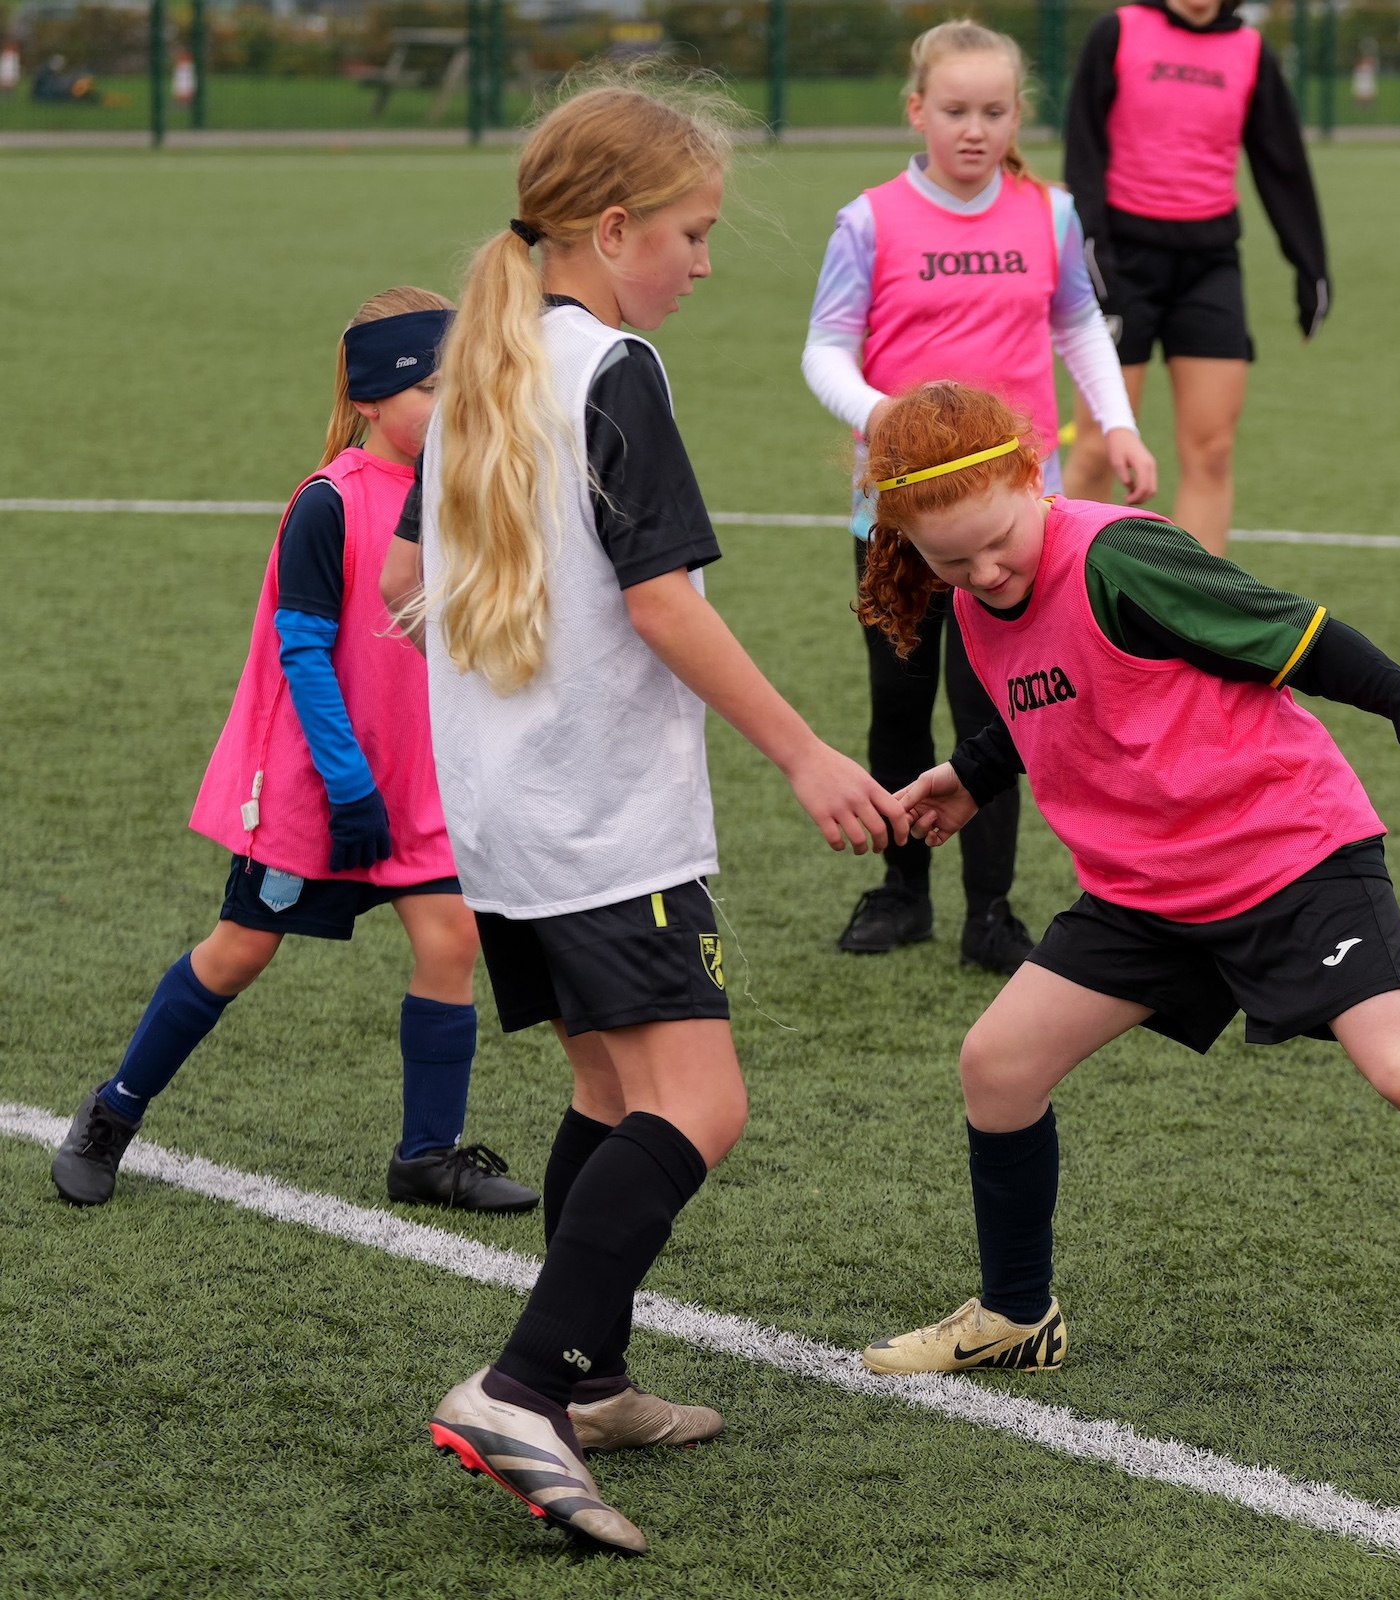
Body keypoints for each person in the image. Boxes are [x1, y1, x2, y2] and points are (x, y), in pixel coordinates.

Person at [843, 380, 1400, 1387]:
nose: (985, 570)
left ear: (1032, 475)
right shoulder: (974, 597)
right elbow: (1056, 693)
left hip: (1288, 855)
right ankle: (1016, 1313)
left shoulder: (1122, 555)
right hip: (1148, 890)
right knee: (997, 1066)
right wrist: (972, 774)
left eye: (996, 541)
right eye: (950, 559)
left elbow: (1297, 634)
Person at [382, 79, 906, 1555]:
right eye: (693, 231)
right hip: (604, 821)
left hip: (506, 818)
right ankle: (525, 1386)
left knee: (612, 1095)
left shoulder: (479, 365)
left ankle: (595, 1381)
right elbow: (664, 603)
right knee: (701, 1104)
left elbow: (407, 593)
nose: (704, 259)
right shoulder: (611, 369)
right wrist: (808, 754)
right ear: (611, 231)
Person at [50, 289, 536, 1216]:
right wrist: (349, 783)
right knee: (239, 951)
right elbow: (302, 649)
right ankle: (113, 1112)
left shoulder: (459, 493)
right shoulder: (329, 503)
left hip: (419, 784)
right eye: (434, 389)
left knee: (450, 938)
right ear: (370, 400)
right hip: (322, 785)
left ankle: (426, 1157)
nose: (454, 407)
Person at [805, 19, 1157, 973]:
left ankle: (991, 912)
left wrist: (1116, 421)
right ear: (918, 110)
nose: (974, 129)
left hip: (1015, 519)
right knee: (898, 702)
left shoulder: (1050, 212)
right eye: (954, 110)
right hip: (899, 516)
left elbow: (1080, 325)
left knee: (997, 718)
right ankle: (902, 890)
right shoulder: (870, 219)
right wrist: (886, 419)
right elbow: (824, 348)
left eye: (993, 111)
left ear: (1016, 115)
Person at [1059, 0, 1328, 556]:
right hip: (1120, 264)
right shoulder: (1118, 31)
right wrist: (1093, 254)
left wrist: (1311, 266)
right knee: (1095, 448)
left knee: (1212, 451)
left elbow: (1281, 163)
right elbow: (1083, 150)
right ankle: (1070, 603)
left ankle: (1188, 619)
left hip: (1209, 266)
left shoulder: (1250, 51)